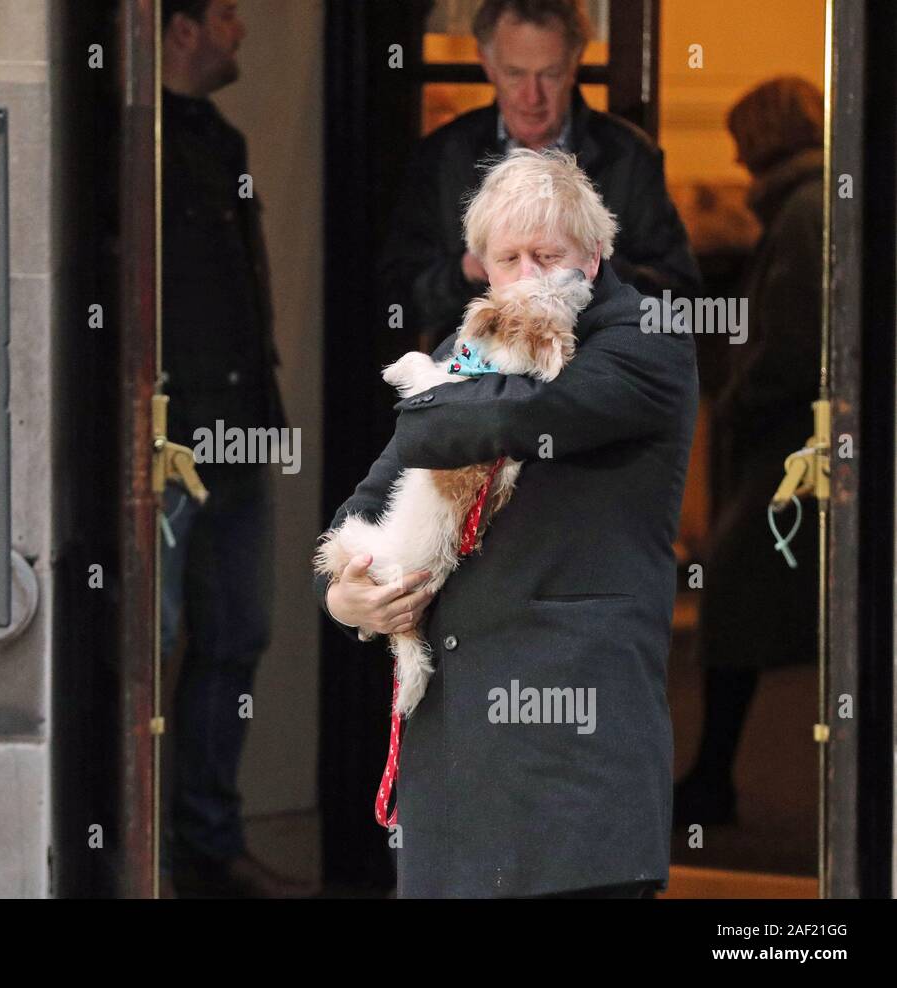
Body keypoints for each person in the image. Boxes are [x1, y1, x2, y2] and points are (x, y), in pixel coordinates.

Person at [316, 148, 698, 897]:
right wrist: (345, 598)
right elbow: (365, 503)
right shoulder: (462, 356)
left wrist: (428, 393)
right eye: (508, 258)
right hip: (455, 771)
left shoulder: (645, 338)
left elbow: (502, 417)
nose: (527, 276)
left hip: (574, 772)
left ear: (594, 254)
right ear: (480, 268)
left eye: (547, 255)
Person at [158, 0, 311, 898]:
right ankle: (152, 859)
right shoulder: (127, 144)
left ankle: (210, 843)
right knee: (161, 640)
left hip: (242, 424)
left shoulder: (220, 139)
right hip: (168, 439)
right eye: (224, 15)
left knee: (237, 635)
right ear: (181, 29)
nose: (241, 31)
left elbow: (245, 289)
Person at [674, 77, 825, 826]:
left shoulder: (800, 212)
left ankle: (711, 781)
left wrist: (737, 401)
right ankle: (711, 777)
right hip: (799, 443)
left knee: (735, 603)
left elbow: (793, 343)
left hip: (789, 447)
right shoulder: (812, 205)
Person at [380, 0, 700, 344]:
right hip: (473, 385)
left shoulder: (629, 156)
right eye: (515, 74)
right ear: (486, 63)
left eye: (550, 74)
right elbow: (395, 301)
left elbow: (682, 303)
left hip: (595, 384)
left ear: (574, 63)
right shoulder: (443, 155)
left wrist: (592, 272)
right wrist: (467, 270)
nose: (532, 97)